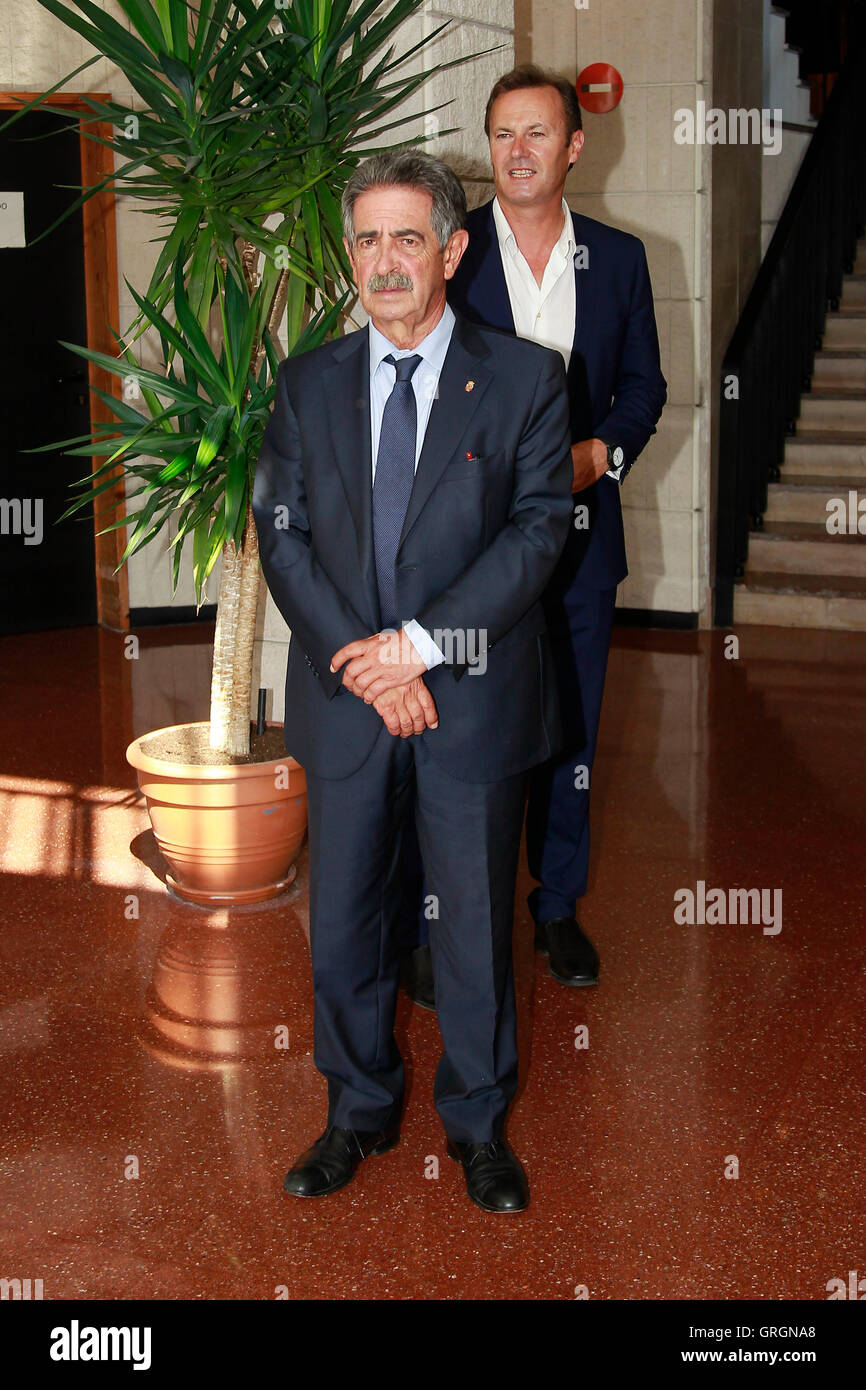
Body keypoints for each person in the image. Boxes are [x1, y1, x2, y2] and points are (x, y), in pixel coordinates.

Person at [252, 150, 573, 1213]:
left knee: (472, 923)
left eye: (405, 237)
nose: (384, 262)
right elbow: (282, 533)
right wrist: (369, 661)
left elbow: (534, 537)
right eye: (364, 240)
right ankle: (354, 1113)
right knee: (342, 918)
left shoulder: (524, 379)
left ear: (449, 248)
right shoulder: (304, 383)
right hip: (349, 698)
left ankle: (478, 1125)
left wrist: (420, 650)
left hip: (468, 694)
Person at [403, 66, 667, 1001]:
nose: (518, 151)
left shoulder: (621, 259)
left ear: (574, 147)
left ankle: (555, 905)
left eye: (538, 134)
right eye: (503, 134)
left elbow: (646, 388)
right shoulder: (453, 252)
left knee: (573, 737)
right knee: (463, 734)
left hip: (582, 546)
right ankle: (445, 916)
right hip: (469, 552)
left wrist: (604, 456)